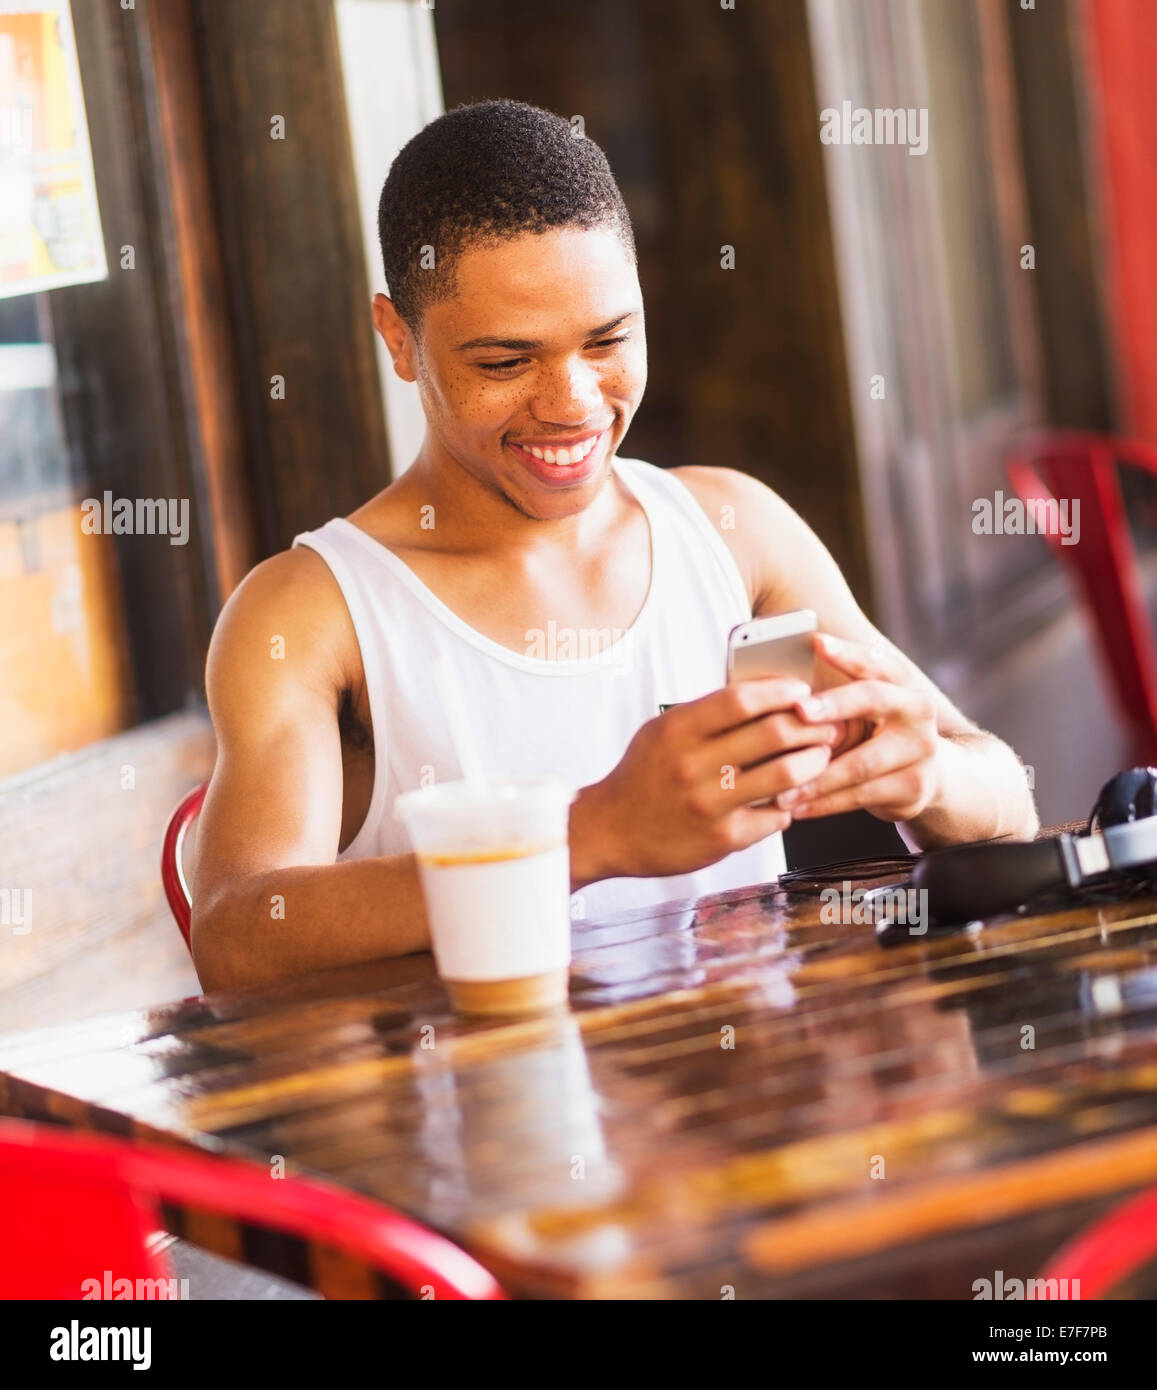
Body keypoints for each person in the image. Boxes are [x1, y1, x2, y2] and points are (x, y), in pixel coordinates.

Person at [191, 100, 1038, 991]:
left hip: (750, 1103)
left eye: (608, 340)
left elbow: (1007, 799)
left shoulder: (730, 530)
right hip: (488, 1116)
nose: (574, 404)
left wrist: (928, 776)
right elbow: (240, 932)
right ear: (399, 339)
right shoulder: (313, 609)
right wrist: (590, 836)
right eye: (504, 362)